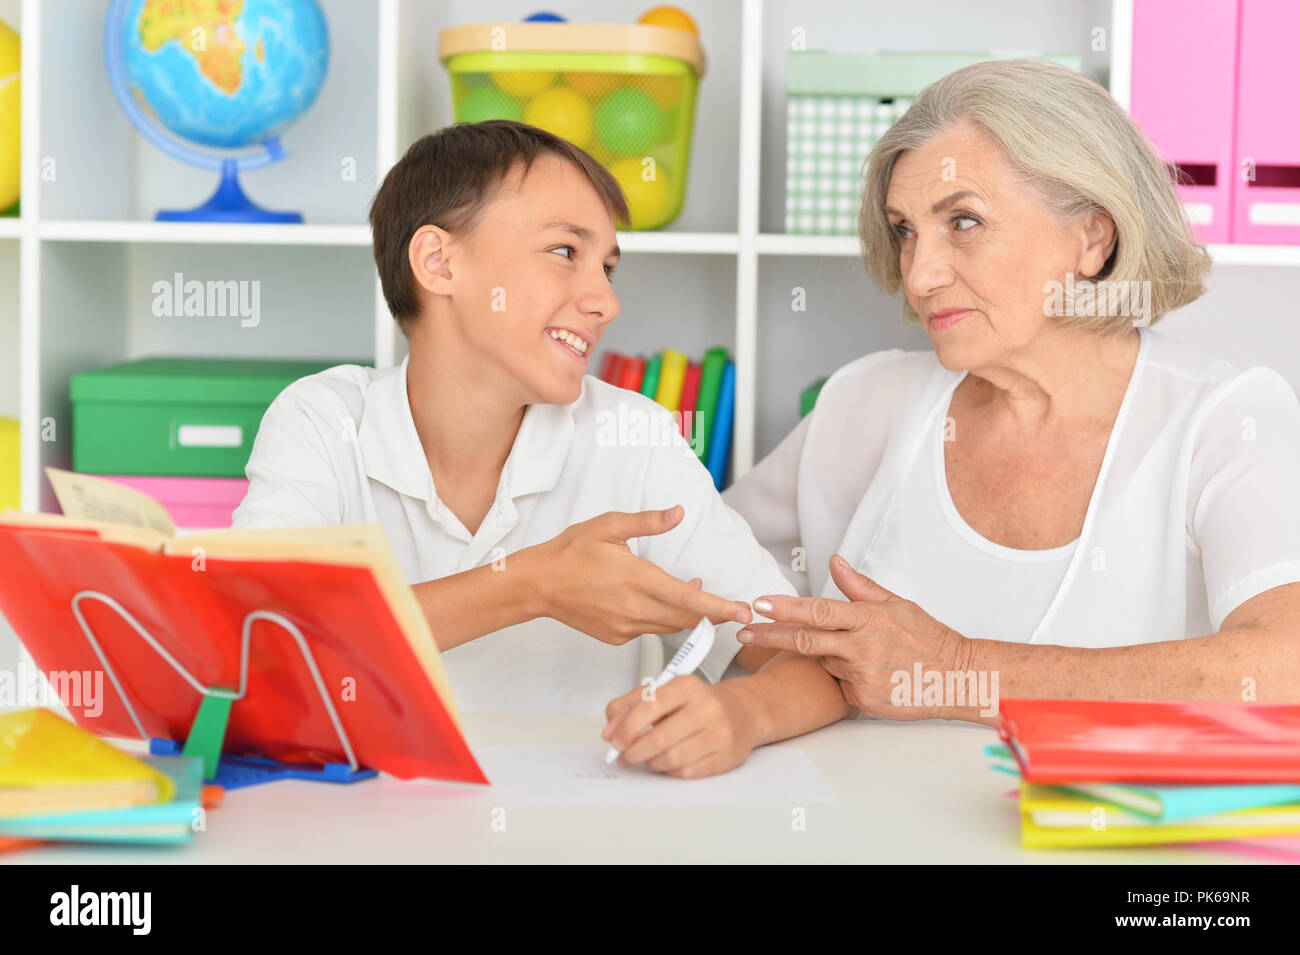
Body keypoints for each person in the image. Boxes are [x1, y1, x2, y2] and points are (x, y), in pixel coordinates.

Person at [232, 120, 852, 776]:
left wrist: (741, 712)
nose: (606, 301)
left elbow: (812, 658)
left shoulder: (630, 438)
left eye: (609, 267)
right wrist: (531, 585)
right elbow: (255, 648)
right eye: (564, 252)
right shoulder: (322, 422)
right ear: (439, 263)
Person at [724, 59, 1300, 723]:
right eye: (905, 230)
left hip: (1102, 830)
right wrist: (781, 698)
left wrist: (958, 670)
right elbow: (706, 577)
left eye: (962, 221)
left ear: (1092, 237)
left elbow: (1283, 670)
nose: (919, 274)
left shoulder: (1227, 420)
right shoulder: (864, 401)